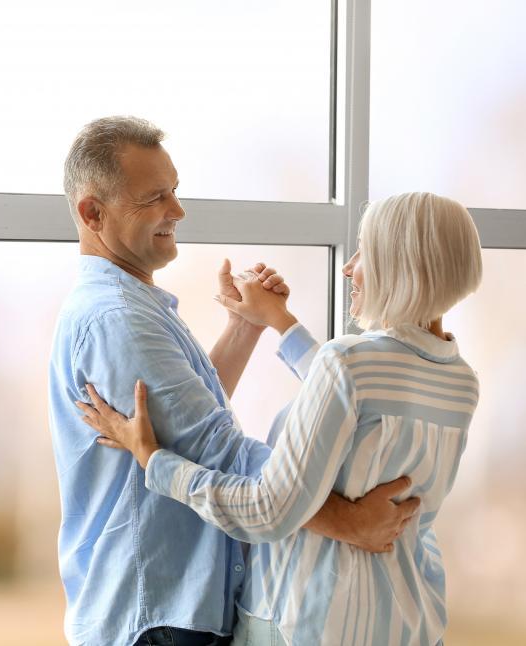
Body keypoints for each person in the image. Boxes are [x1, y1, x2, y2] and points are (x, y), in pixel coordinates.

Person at [49, 116, 418, 646]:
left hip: (168, 611)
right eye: (154, 197)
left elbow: (191, 426)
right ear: (93, 213)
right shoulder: (118, 320)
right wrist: (350, 522)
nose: (177, 210)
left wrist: (245, 327)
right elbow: (219, 453)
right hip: (158, 616)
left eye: (174, 191)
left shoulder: (133, 306)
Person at [79, 191, 482, 646]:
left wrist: (153, 459)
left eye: (364, 252)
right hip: (411, 621)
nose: (349, 268)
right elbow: (364, 400)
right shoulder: (461, 381)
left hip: (304, 622)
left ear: (400, 265)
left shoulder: (348, 365)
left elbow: (268, 511)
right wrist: (278, 321)